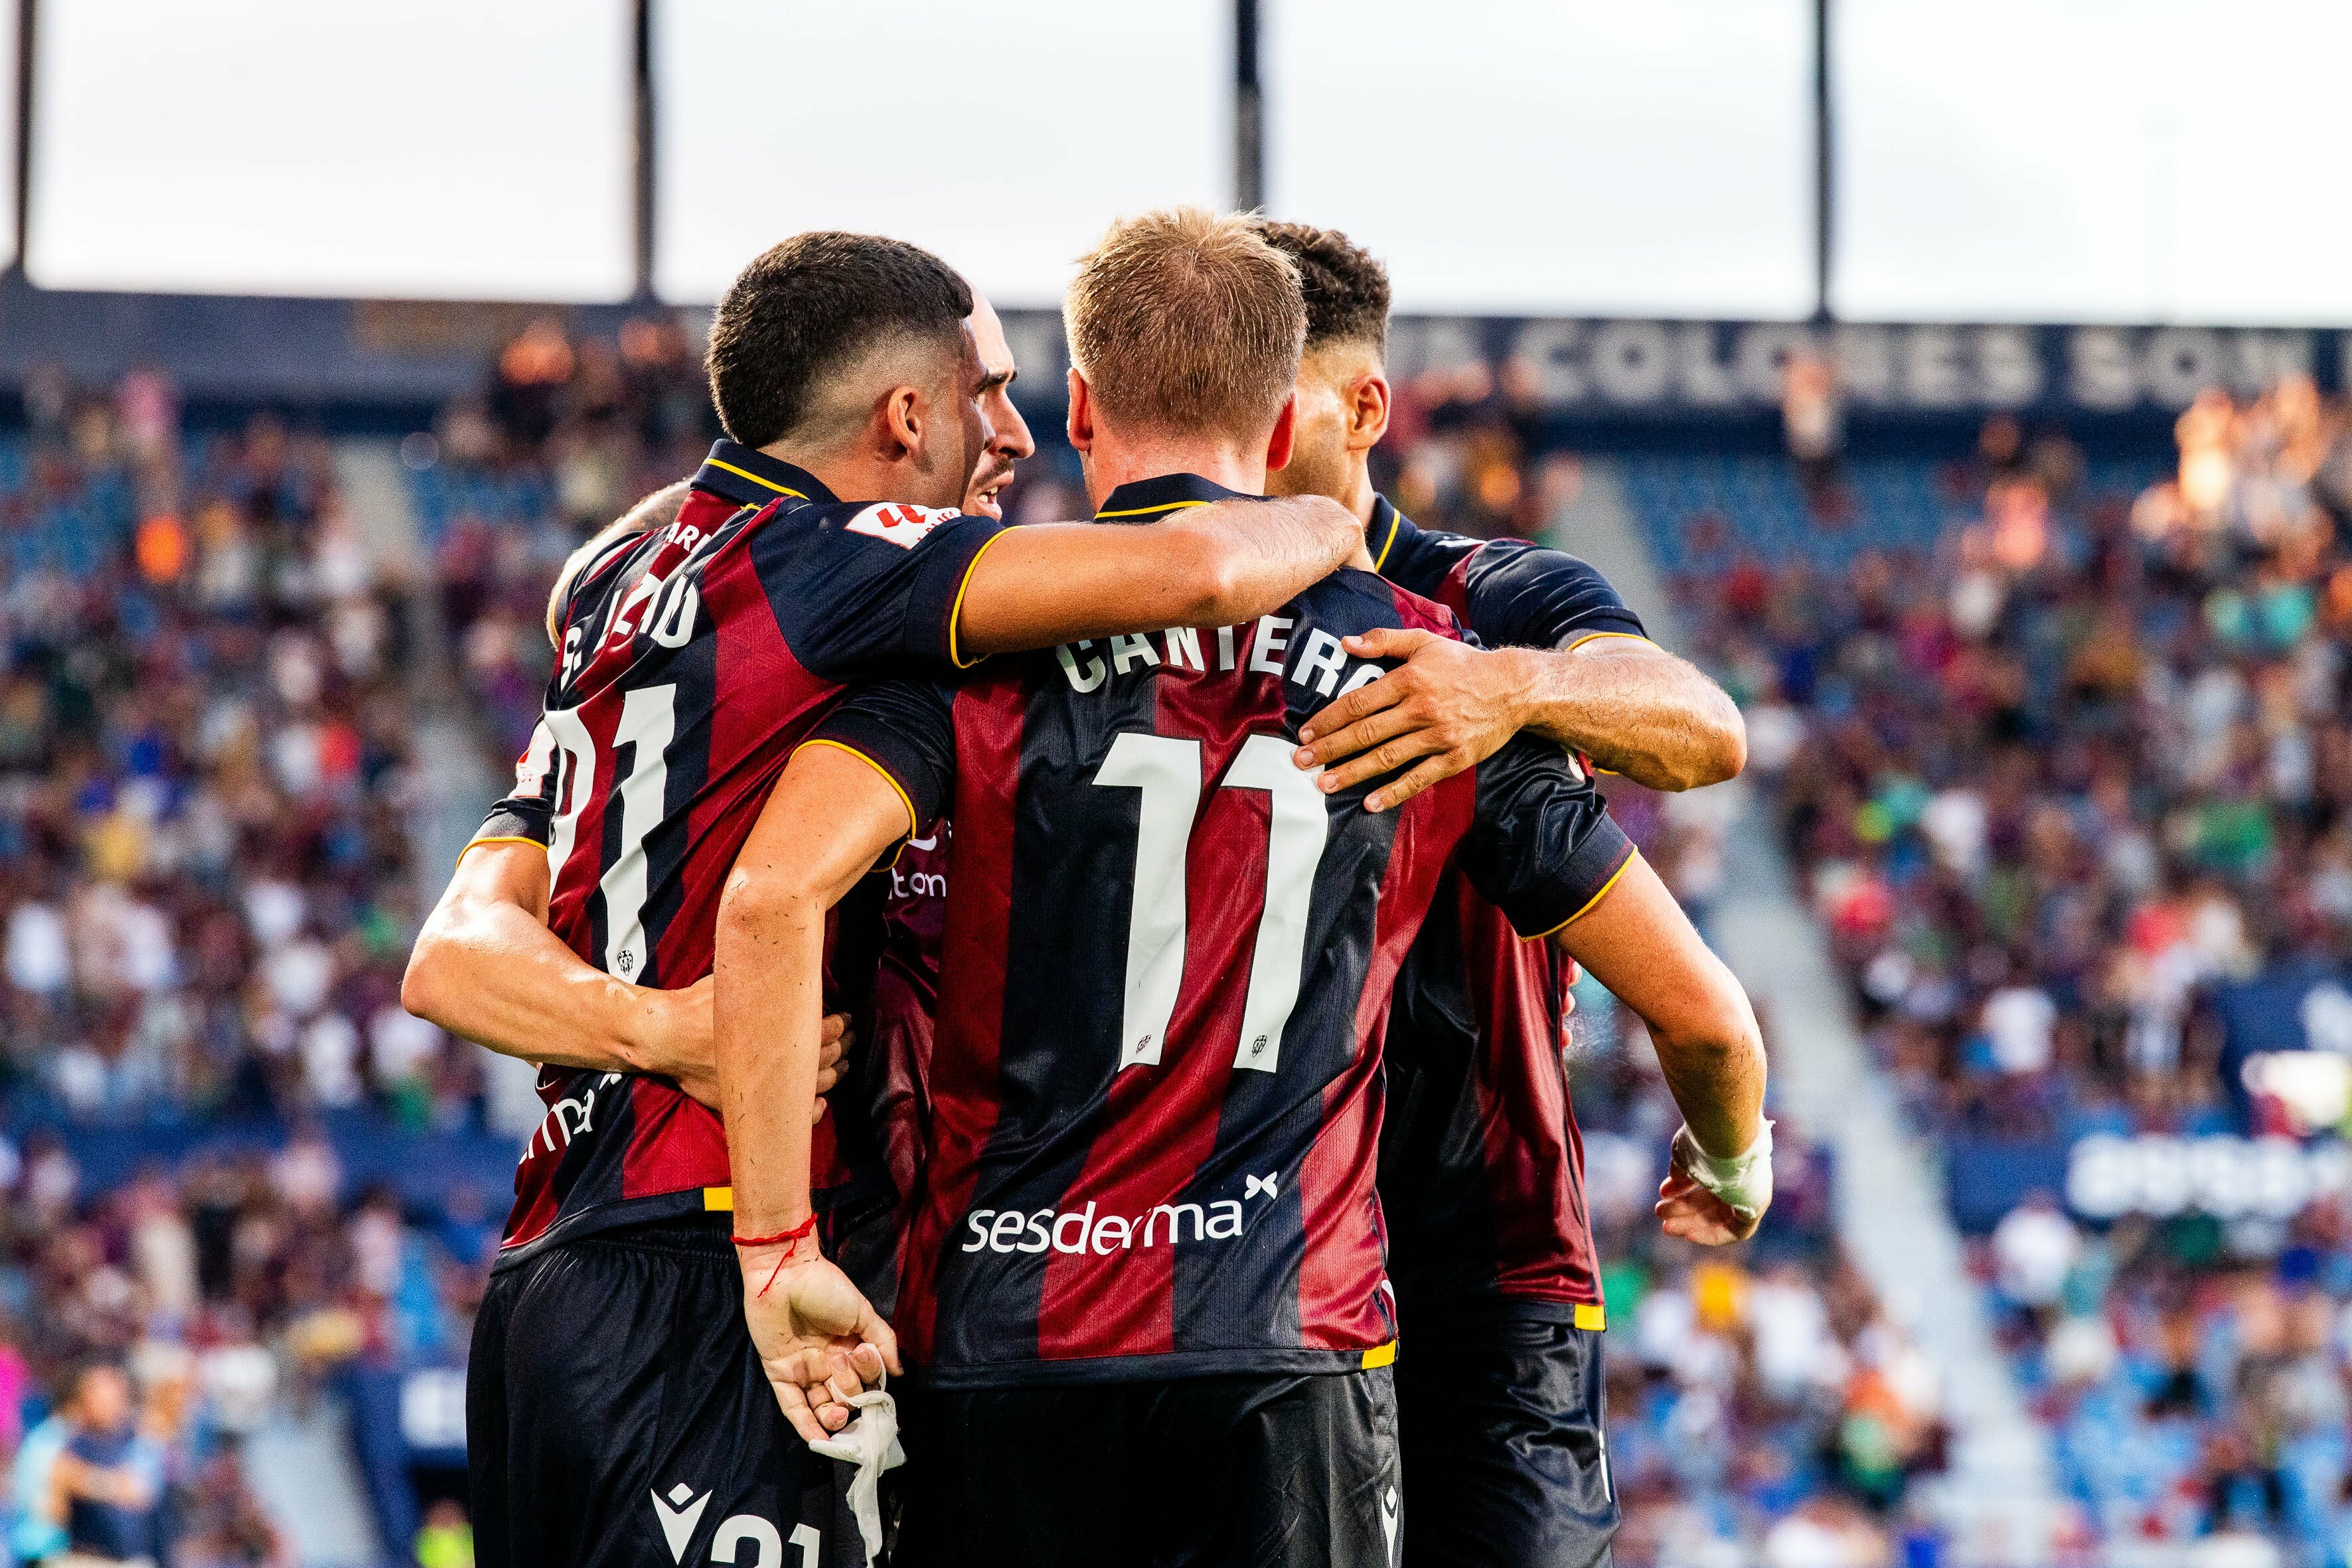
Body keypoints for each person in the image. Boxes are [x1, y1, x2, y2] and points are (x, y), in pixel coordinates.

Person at [717, 206, 1771, 1568]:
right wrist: (1734, 1154)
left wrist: (772, 1233)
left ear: (1080, 406)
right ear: (1282, 428)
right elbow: (1701, 1011)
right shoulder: (1427, 678)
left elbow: (767, 892)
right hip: (1300, 1320)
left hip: (1013, 1323)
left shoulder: (974, 636)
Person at [402, 231, 1364, 1568]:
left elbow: (449, 951)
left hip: (546, 1276)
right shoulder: (844, 557)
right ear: (904, 417)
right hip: (712, 1270)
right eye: (991, 391)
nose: (1019, 435)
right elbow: (1194, 572)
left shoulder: (625, 594)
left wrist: (644, 1026)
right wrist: (1333, 516)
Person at [1259, 219, 1747, 1568]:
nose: (1233, 430)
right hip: (1253, 1257)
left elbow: (1703, 729)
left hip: (1482, 1254)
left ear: (1362, 408)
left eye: (1266, 391)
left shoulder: (1491, 593)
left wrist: (1509, 685)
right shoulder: (1145, 606)